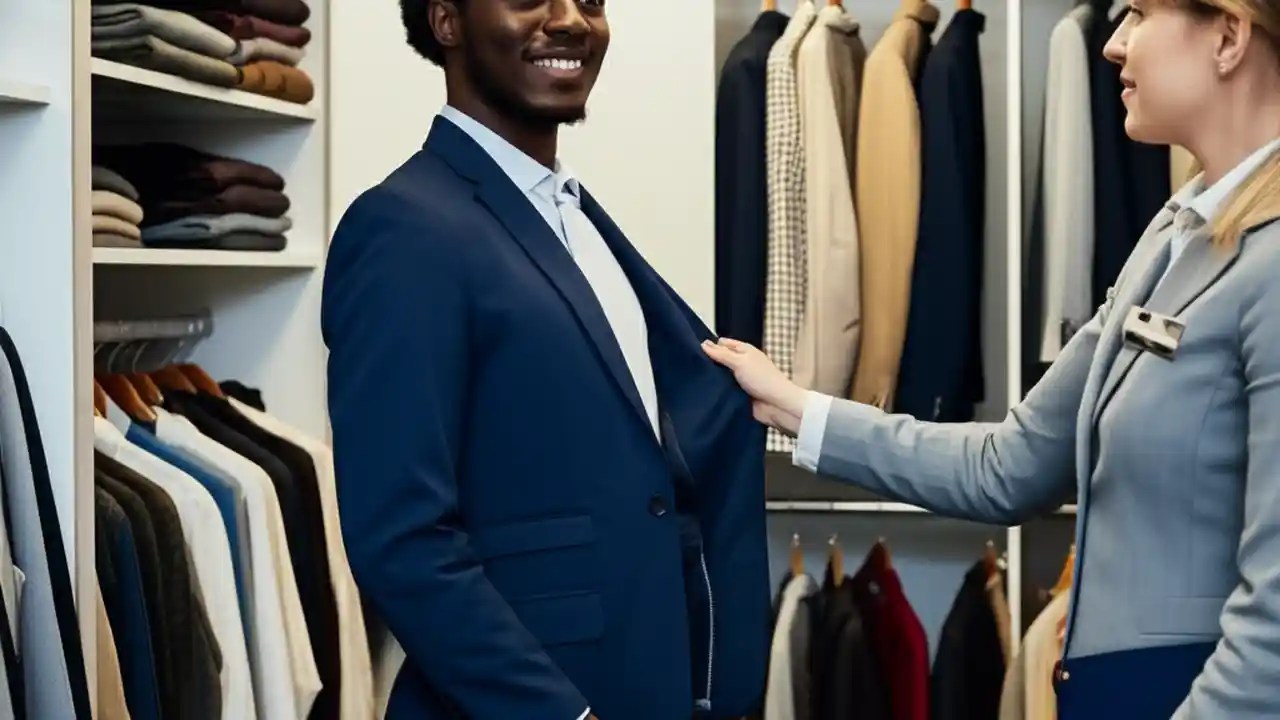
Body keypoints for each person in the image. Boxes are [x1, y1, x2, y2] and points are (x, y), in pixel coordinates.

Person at [705, 1, 1280, 717]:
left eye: (1138, 12)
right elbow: (1008, 464)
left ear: (1228, 37)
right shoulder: (1174, 236)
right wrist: (790, 403)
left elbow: (1273, 632)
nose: (1113, 43)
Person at [321, 0, 771, 718]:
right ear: (446, 22)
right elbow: (401, 540)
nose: (570, 20)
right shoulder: (403, 229)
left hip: (643, 678)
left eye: (590, 0)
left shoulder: (571, 217)